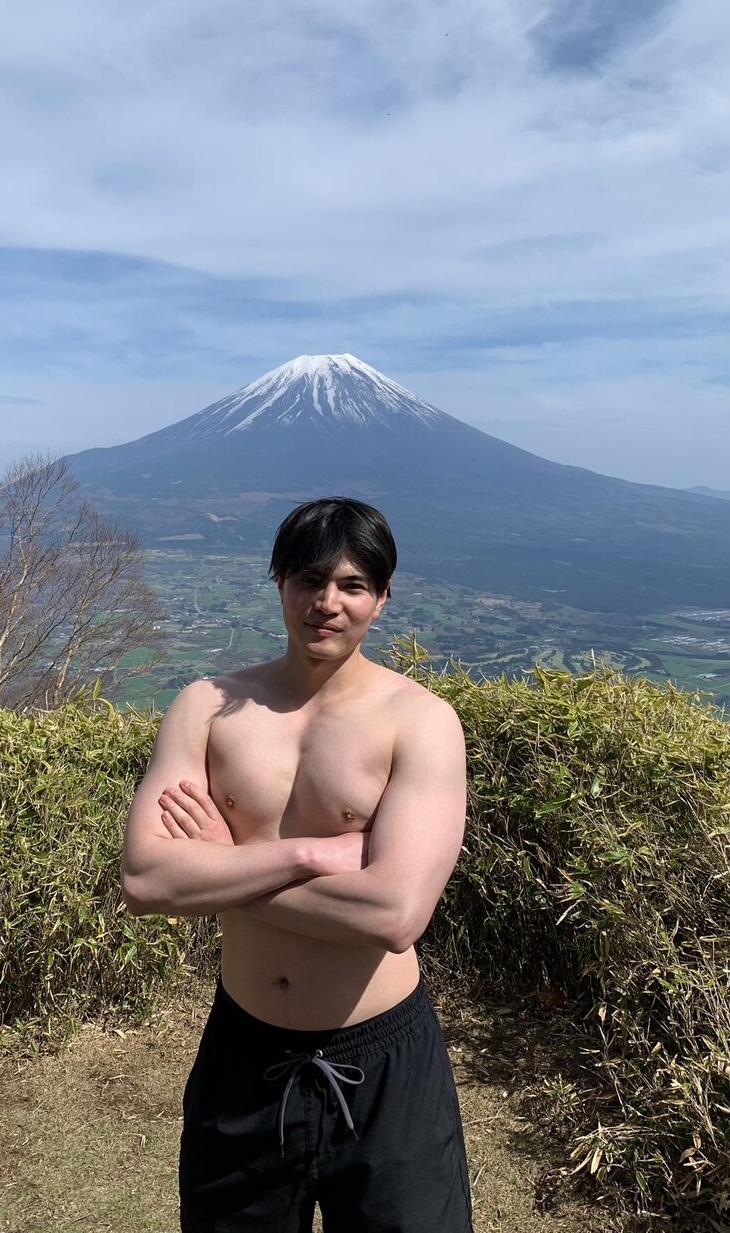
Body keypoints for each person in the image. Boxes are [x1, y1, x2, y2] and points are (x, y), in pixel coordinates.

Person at [121, 497, 472, 1232]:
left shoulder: (421, 722)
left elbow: (394, 914)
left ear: (382, 598)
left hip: (382, 1065)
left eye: (352, 585)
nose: (327, 603)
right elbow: (148, 881)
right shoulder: (206, 708)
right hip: (244, 1052)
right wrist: (310, 853)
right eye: (309, 580)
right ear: (279, 583)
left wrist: (221, 867)